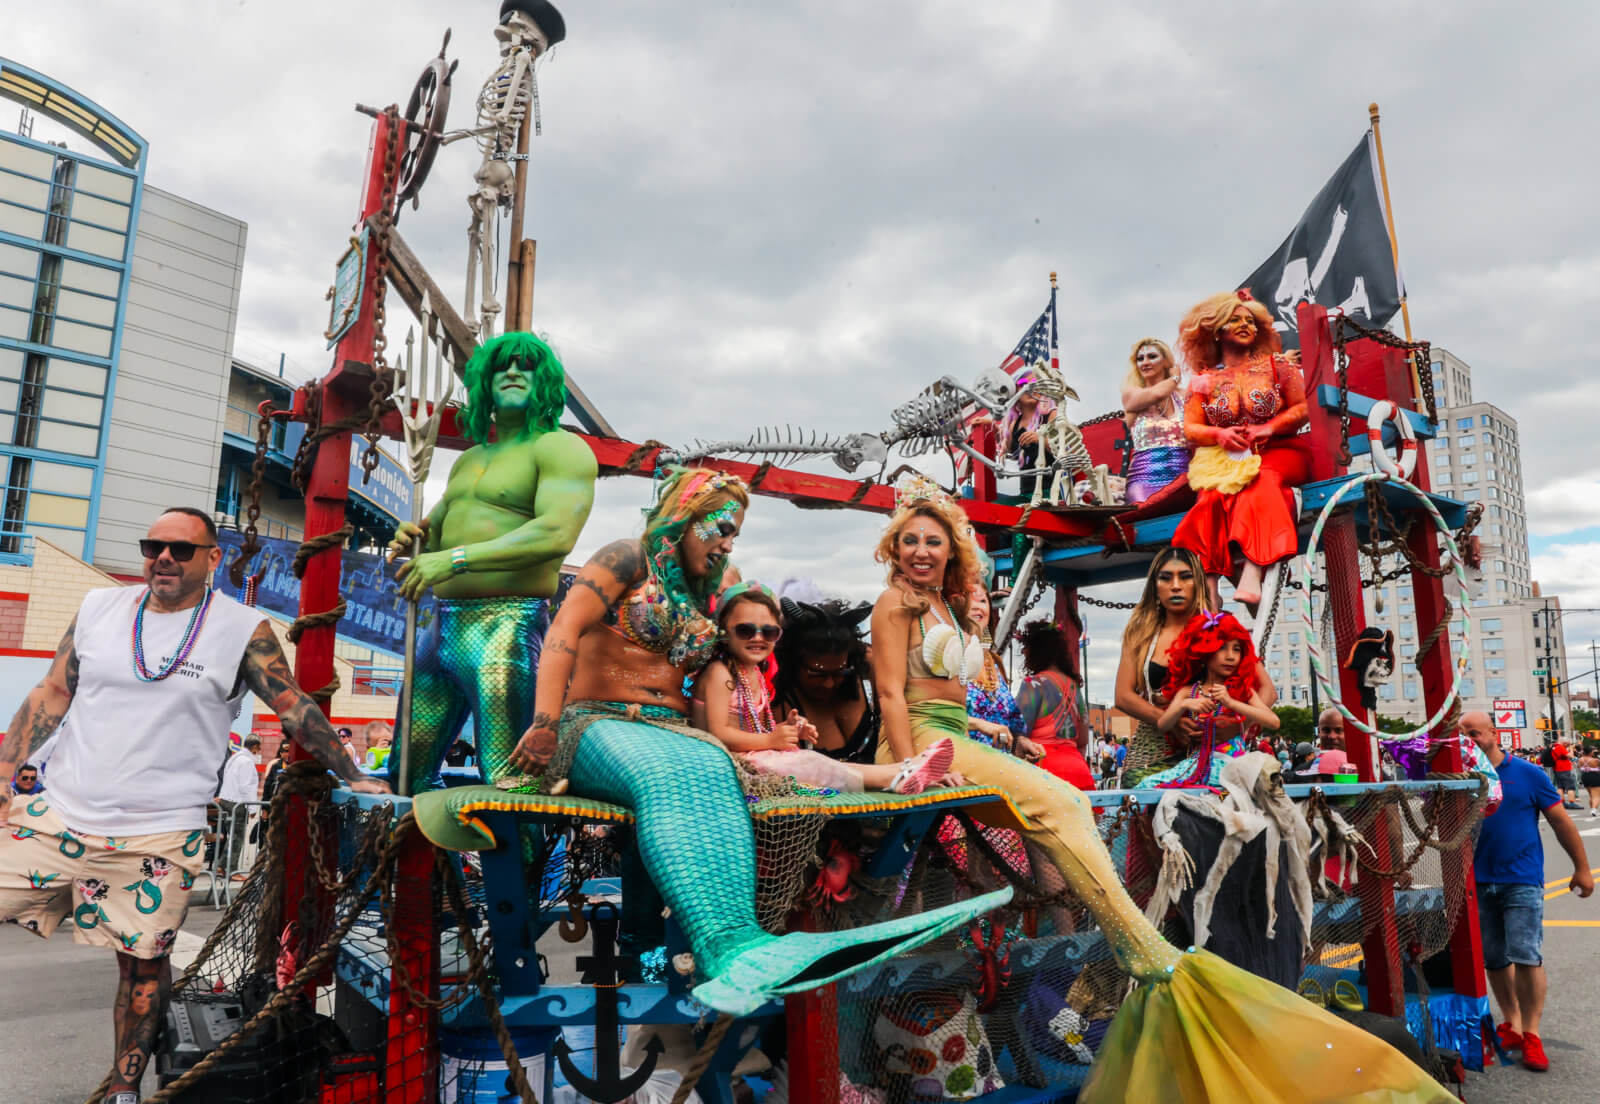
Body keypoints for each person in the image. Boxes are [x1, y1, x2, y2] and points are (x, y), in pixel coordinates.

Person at [867, 478, 1449, 1102]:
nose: (922, 550)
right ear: (893, 548)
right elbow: (896, 694)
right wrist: (911, 766)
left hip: (990, 742)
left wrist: (1228, 711)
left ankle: (1179, 961)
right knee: (1090, 840)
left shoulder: (947, 609)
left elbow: (1266, 704)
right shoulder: (898, 604)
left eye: (934, 540)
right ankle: (1127, 960)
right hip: (948, 747)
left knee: (1094, 824)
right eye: (910, 541)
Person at [507, 468, 1002, 1016]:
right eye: (718, 527)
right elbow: (562, 634)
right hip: (597, 722)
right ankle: (728, 947)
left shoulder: (719, 581)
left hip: (675, 732)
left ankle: (743, 942)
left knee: (714, 768)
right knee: (668, 769)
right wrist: (546, 721)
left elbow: (755, 630)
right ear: (683, 517)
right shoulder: (626, 557)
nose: (726, 542)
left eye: (735, 533)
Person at [0, 507, 389, 1104]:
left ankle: (124, 1092)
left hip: (159, 833)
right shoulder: (100, 609)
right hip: (58, 813)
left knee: (142, 967)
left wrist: (353, 772)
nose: (163, 557)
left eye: (181, 550)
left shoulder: (241, 629)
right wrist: (5, 772)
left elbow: (291, 705)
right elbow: (54, 690)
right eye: (153, 544)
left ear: (213, 559)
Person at [386, 331, 598, 795]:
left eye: (525, 365)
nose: (514, 372)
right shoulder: (470, 460)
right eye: (503, 366)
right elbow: (437, 536)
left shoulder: (560, 448)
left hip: (506, 623)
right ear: (486, 381)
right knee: (406, 776)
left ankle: (528, 871)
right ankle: (439, 872)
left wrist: (456, 559)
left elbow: (555, 532)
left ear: (544, 380)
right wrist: (416, 538)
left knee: (510, 784)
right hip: (440, 626)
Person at [692, 581, 953, 794]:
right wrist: (771, 740)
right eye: (745, 630)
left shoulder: (753, 673)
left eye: (769, 632)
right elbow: (718, 734)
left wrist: (789, 731)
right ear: (723, 631)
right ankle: (897, 774)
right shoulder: (719, 674)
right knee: (815, 763)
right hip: (735, 767)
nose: (758, 638)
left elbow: (756, 728)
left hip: (754, 759)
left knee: (809, 761)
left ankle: (903, 771)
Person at [1467, 711, 1593, 1072]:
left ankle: (1532, 1032)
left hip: (1521, 878)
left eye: (1475, 733)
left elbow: (1561, 821)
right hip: (1477, 880)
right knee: (1494, 957)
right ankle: (1513, 1023)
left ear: (1494, 733)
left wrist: (1582, 869)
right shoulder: (1462, 778)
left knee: (1525, 954)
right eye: (1464, 736)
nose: (1470, 740)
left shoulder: (1528, 773)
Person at [1170, 290, 1311, 607]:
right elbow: (1190, 429)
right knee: (1207, 500)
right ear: (1218, 329)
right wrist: (1219, 435)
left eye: (1250, 320)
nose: (1245, 324)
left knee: (1261, 483)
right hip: (1228, 461)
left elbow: (1302, 410)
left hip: (1281, 450)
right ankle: (1208, 587)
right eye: (1235, 319)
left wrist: (1267, 427)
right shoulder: (1203, 380)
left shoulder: (1278, 368)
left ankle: (1253, 569)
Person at [1115, 547, 1277, 785]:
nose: (1176, 585)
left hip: (1216, 751)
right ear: (1154, 585)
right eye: (1166, 577)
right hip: (1154, 751)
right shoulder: (1140, 633)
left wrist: (1237, 726)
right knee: (1141, 797)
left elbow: (1267, 692)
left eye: (1186, 576)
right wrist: (1172, 720)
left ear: (1198, 582)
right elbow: (1123, 696)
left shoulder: (1219, 627)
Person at [1137, 611, 1278, 789]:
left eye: (1237, 649)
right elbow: (1163, 725)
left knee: (1149, 786)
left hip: (1230, 767)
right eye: (1222, 648)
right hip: (1196, 766)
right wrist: (1183, 705)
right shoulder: (1188, 691)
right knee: (1144, 786)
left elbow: (1274, 721)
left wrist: (1232, 703)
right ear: (1204, 653)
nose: (1230, 656)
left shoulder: (1243, 691)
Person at [771, 597, 878, 764]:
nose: (829, 683)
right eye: (816, 674)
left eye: (840, 672)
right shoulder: (777, 691)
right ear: (794, 663)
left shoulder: (866, 662)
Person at [1013, 620, 1094, 789]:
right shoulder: (1075, 688)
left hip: (1044, 771)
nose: (1024, 653)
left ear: (1036, 651)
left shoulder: (1033, 684)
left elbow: (1018, 733)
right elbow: (1083, 740)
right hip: (1079, 770)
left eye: (1026, 648)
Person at [962, 586, 1037, 757]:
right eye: (970, 600)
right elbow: (933, 718)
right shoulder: (946, 656)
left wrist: (1021, 744)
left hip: (999, 767)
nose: (978, 606)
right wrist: (979, 724)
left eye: (983, 601)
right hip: (963, 767)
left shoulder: (994, 663)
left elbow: (1008, 732)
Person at [1119, 337, 1189, 504]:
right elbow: (1156, 394)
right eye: (1140, 359)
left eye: (1152, 356)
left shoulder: (1184, 396)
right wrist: (1174, 379)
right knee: (1148, 510)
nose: (1145, 362)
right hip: (1144, 479)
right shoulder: (1131, 394)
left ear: (1166, 362)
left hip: (1184, 477)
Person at [216, 734, 261, 877]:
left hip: (227, 799)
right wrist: (252, 808)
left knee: (233, 836)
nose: (259, 750)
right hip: (237, 801)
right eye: (259, 747)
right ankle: (231, 869)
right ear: (254, 747)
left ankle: (222, 866)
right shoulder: (246, 762)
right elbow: (246, 787)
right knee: (238, 837)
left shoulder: (235, 759)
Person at [1314, 707, 1352, 776]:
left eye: (1338, 730)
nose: (1332, 736)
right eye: (1326, 730)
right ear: (1319, 732)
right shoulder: (1305, 770)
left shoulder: (1362, 767)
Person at [1549, 740, 1580, 809]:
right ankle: (1572, 803)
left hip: (1557, 769)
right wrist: (1571, 749)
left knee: (1560, 787)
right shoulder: (1561, 747)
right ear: (1564, 743)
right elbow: (1571, 756)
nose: (1569, 745)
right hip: (1564, 769)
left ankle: (1562, 803)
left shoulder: (1554, 747)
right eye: (1568, 744)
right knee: (1570, 786)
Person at [1579, 746, 1600, 818]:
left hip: (1584, 776)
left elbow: (1579, 767)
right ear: (1591, 752)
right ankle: (1594, 810)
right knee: (1596, 796)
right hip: (1595, 776)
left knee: (1591, 795)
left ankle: (1592, 809)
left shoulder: (1580, 759)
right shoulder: (1596, 760)